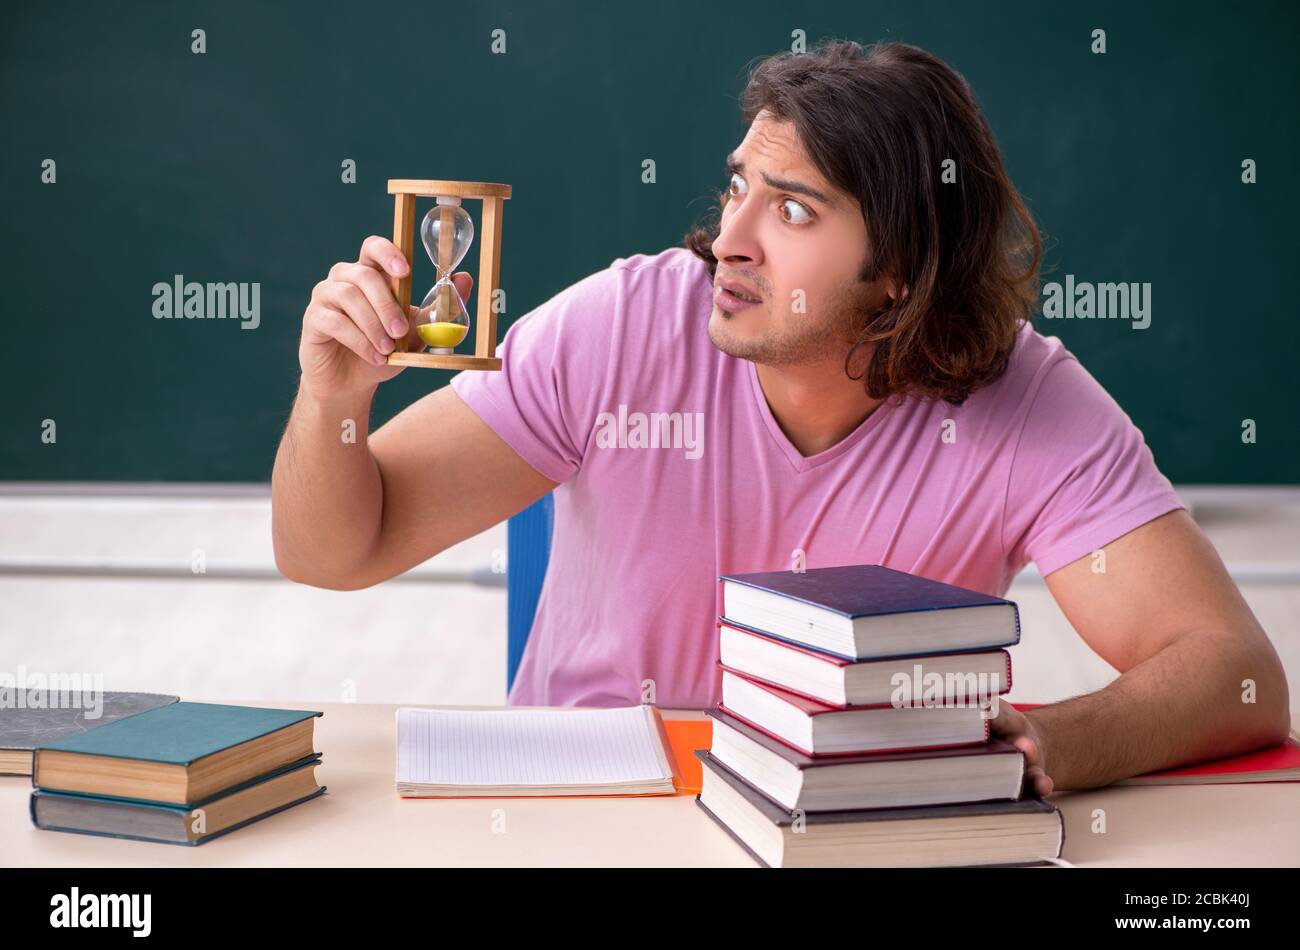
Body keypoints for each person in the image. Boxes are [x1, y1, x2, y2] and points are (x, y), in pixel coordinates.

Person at [272, 39, 1290, 796]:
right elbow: (333, 550)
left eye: (793, 210)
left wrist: (1050, 741)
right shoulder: (619, 326)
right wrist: (333, 402)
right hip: (589, 820)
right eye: (737, 187)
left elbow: (1235, 677)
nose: (731, 240)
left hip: (851, 836)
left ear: (897, 274)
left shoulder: (1027, 402)